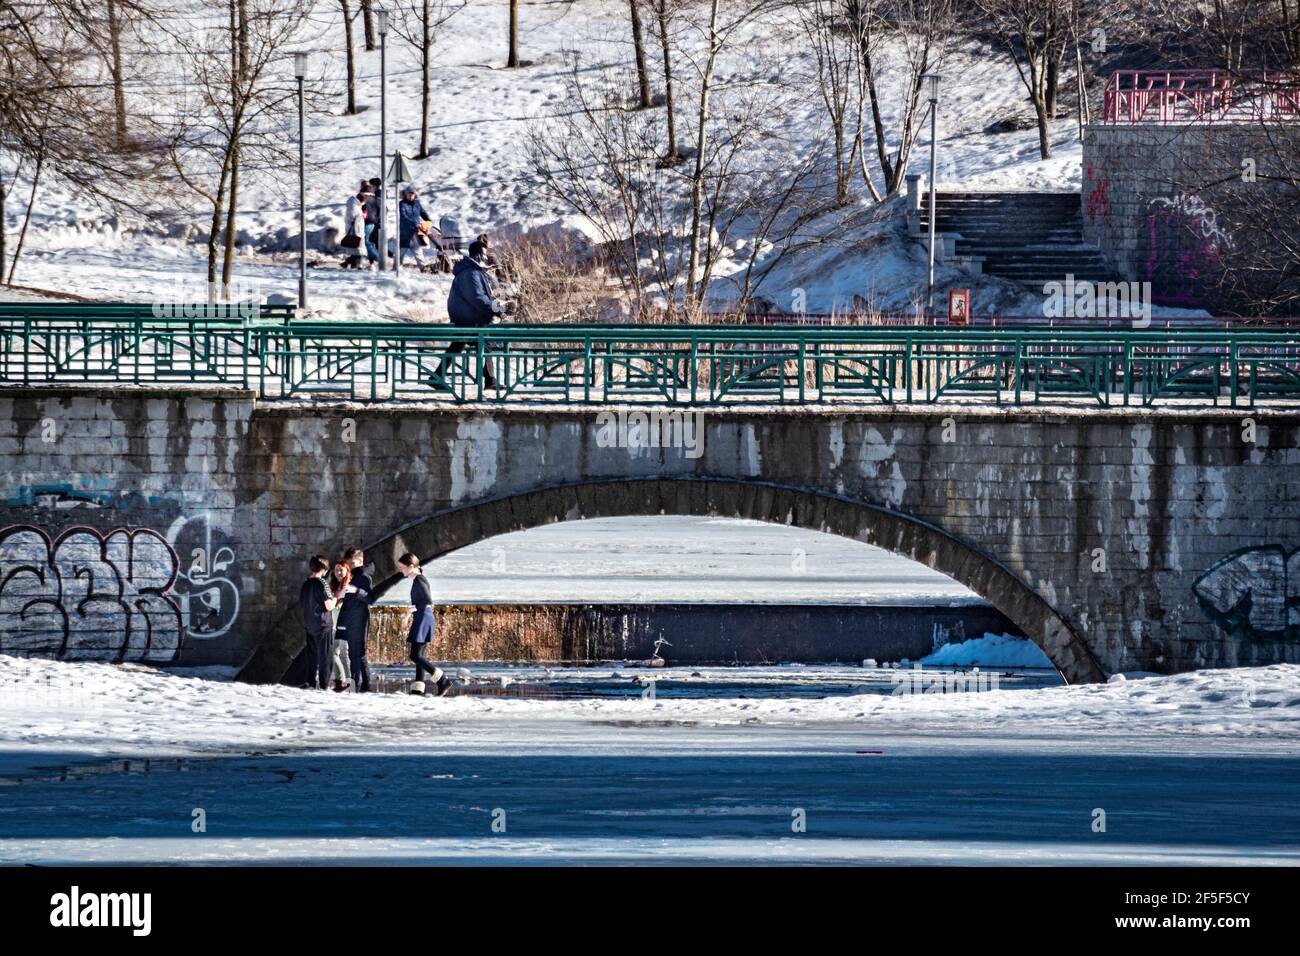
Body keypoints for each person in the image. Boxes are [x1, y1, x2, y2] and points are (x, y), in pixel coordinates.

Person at [436, 238, 503, 389]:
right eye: (484, 255)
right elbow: (478, 298)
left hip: (467, 318)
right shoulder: (471, 273)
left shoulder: (472, 271)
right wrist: (495, 309)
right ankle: (490, 381)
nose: (486, 258)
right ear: (479, 255)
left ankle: (438, 376)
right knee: (484, 344)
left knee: (464, 345)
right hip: (469, 319)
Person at [397, 552, 452, 696]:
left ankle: (442, 680)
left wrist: (411, 610)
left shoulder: (420, 580)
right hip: (423, 618)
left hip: (423, 619)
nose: (401, 570)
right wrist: (412, 612)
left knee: (415, 655)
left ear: (410, 567)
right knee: (419, 655)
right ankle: (417, 690)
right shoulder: (418, 580)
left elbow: (427, 601)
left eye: (402, 567)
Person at [335, 547, 374, 692]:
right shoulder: (357, 575)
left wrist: (356, 591)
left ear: (360, 561)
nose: (350, 566)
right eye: (348, 563)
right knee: (357, 652)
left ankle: (356, 685)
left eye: (352, 563)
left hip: (359, 618)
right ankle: (364, 685)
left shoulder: (364, 576)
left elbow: (370, 598)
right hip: (353, 618)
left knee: (356, 653)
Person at [299, 555, 338, 690]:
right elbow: (329, 606)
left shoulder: (305, 584)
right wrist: (337, 598)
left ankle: (310, 682)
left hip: (310, 625)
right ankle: (324, 685)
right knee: (325, 657)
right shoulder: (322, 583)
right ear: (323, 569)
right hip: (323, 625)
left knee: (312, 657)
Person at [327, 561, 356, 691]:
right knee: (332, 653)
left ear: (347, 571)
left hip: (347, 626)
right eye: (336, 570)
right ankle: (340, 682)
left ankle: (349, 684)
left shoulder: (350, 586)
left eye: (341, 570)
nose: (338, 572)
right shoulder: (334, 586)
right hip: (335, 625)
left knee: (345, 654)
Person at [341, 189, 368, 269]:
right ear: (361, 201)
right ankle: (357, 266)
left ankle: (351, 263)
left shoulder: (353, 205)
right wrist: (359, 234)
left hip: (353, 231)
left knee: (356, 250)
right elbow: (356, 221)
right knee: (359, 250)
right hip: (356, 232)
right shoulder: (355, 208)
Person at [363, 178, 383, 266]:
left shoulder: (378, 196)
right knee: (372, 241)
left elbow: (380, 209)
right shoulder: (376, 195)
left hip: (375, 221)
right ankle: (373, 262)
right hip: (376, 221)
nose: (370, 187)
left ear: (374, 186)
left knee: (370, 241)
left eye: (371, 185)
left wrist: (378, 221)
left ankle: (379, 261)